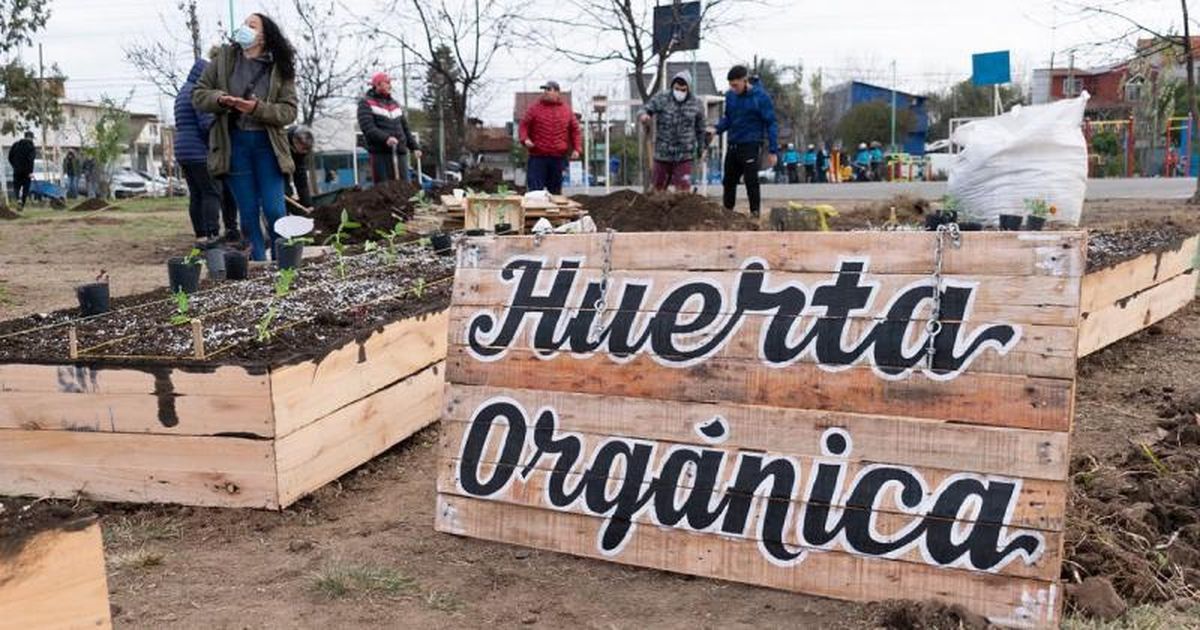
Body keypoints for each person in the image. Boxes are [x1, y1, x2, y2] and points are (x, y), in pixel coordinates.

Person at [193, 12, 298, 261]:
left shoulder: (280, 67)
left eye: (251, 26)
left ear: (264, 35)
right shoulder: (222, 60)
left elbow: (289, 111)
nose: (244, 29)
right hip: (234, 144)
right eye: (244, 25)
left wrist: (256, 108)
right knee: (248, 212)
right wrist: (219, 99)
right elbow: (199, 94)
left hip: (268, 146)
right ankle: (259, 265)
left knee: (274, 209)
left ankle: (285, 266)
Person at [713, 65, 778, 217]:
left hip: (751, 144)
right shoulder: (730, 96)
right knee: (728, 181)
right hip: (733, 143)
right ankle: (727, 213)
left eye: (735, 85)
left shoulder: (760, 97)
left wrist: (773, 150)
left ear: (745, 81)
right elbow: (728, 119)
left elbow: (771, 123)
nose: (733, 88)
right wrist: (716, 129)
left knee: (751, 180)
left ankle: (755, 213)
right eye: (731, 85)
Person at [175, 57, 223, 247]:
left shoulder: (183, 91)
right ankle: (213, 235)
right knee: (211, 192)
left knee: (196, 193)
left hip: (183, 150)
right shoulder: (197, 92)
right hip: (198, 151)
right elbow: (205, 124)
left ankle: (200, 235)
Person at [638, 71, 706, 192]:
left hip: (684, 155)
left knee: (683, 191)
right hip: (663, 154)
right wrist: (644, 115)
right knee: (657, 189)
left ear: (688, 89)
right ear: (672, 87)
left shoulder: (696, 104)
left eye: (683, 89)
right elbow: (644, 109)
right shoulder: (662, 98)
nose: (679, 92)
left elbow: (701, 129)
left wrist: (701, 149)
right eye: (676, 89)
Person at [357, 72, 420, 186]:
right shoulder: (366, 103)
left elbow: (405, 129)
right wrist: (386, 138)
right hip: (380, 154)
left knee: (405, 187)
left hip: (400, 153)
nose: (389, 86)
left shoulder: (395, 104)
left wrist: (414, 147)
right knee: (384, 188)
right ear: (377, 85)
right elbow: (368, 128)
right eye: (387, 83)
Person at [519, 81, 581, 195]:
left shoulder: (566, 110)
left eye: (549, 89)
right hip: (538, 157)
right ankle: (536, 212)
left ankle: (554, 212)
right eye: (545, 90)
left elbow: (575, 130)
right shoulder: (534, 109)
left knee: (555, 191)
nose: (546, 92)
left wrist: (577, 149)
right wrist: (525, 139)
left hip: (557, 158)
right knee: (535, 192)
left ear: (557, 92)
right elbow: (523, 125)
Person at [286, 125, 314, 208]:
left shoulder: (300, 154)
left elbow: (301, 179)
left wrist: (308, 205)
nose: (302, 153)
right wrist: (288, 192)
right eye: (301, 150)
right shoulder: (283, 141)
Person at [8, 131, 35, 210]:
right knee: (25, 188)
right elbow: (31, 160)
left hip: (17, 170)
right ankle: (22, 204)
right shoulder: (31, 146)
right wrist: (30, 172)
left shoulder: (15, 145)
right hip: (26, 171)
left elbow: (10, 157)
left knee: (16, 187)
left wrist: (15, 166)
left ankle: (18, 199)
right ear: (30, 137)